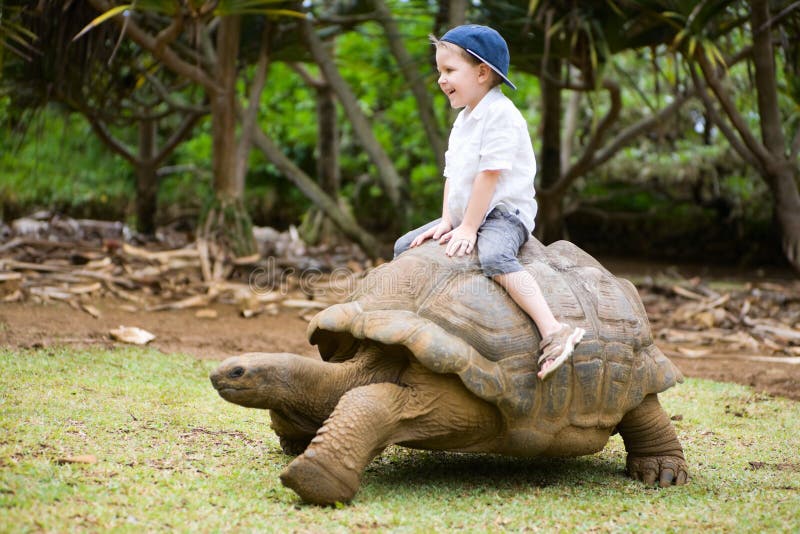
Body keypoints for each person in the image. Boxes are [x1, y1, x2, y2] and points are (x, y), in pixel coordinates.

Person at [393, 24, 585, 380]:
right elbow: (453, 175)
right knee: (404, 245)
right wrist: (448, 220)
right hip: (468, 214)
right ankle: (408, 332)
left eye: (450, 71)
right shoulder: (463, 120)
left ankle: (553, 330)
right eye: (439, 72)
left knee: (495, 256)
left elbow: (489, 175)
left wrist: (469, 227)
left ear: (482, 73)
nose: (441, 80)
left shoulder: (502, 116)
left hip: (503, 214)